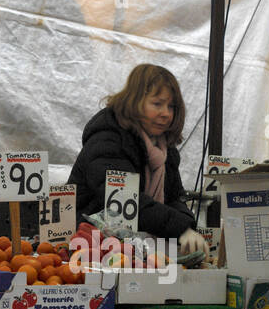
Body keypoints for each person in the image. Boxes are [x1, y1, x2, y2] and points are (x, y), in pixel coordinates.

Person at [67, 64, 206, 254]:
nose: (166, 113)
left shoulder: (165, 149)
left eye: (171, 106)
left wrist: (188, 227)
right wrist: (180, 229)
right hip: (90, 245)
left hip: (135, 248)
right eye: (157, 104)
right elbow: (124, 201)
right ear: (135, 101)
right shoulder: (108, 139)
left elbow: (173, 198)